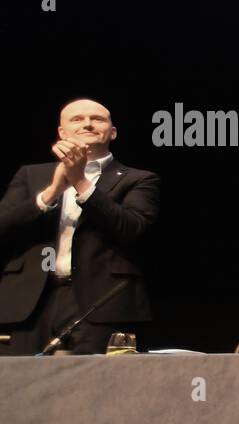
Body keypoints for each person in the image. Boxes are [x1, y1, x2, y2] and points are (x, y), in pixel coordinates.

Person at [0, 98, 159, 355]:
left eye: (97, 119)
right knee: (22, 389)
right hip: (29, 302)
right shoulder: (30, 175)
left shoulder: (139, 179)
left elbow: (132, 228)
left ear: (113, 132)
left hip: (99, 303)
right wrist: (50, 193)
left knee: (93, 389)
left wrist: (80, 183)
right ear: (62, 132)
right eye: (77, 119)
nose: (87, 124)